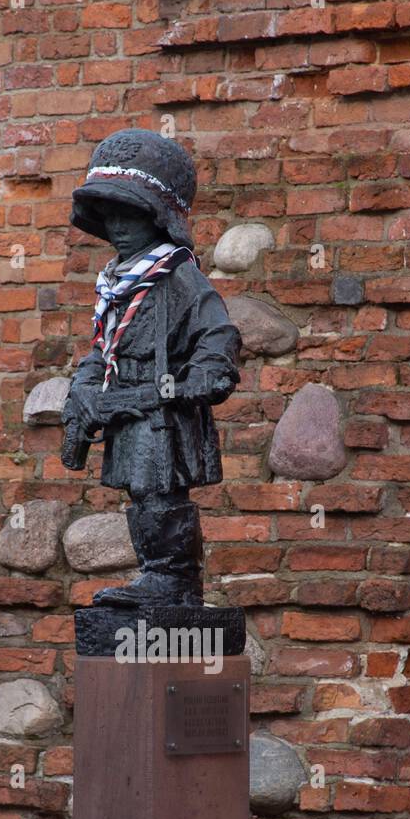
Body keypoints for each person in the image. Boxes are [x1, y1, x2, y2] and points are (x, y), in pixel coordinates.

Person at [61, 127, 242, 607]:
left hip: (160, 412)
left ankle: (173, 581)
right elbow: (104, 348)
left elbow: (219, 344)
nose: (118, 225)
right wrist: (83, 387)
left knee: (160, 496)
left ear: (157, 216)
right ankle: (155, 579)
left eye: (131, 213)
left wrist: (174, 390)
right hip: (124, 407)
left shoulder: (179, 276)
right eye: (110, 214)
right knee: (139, 497)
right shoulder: (117, 284)